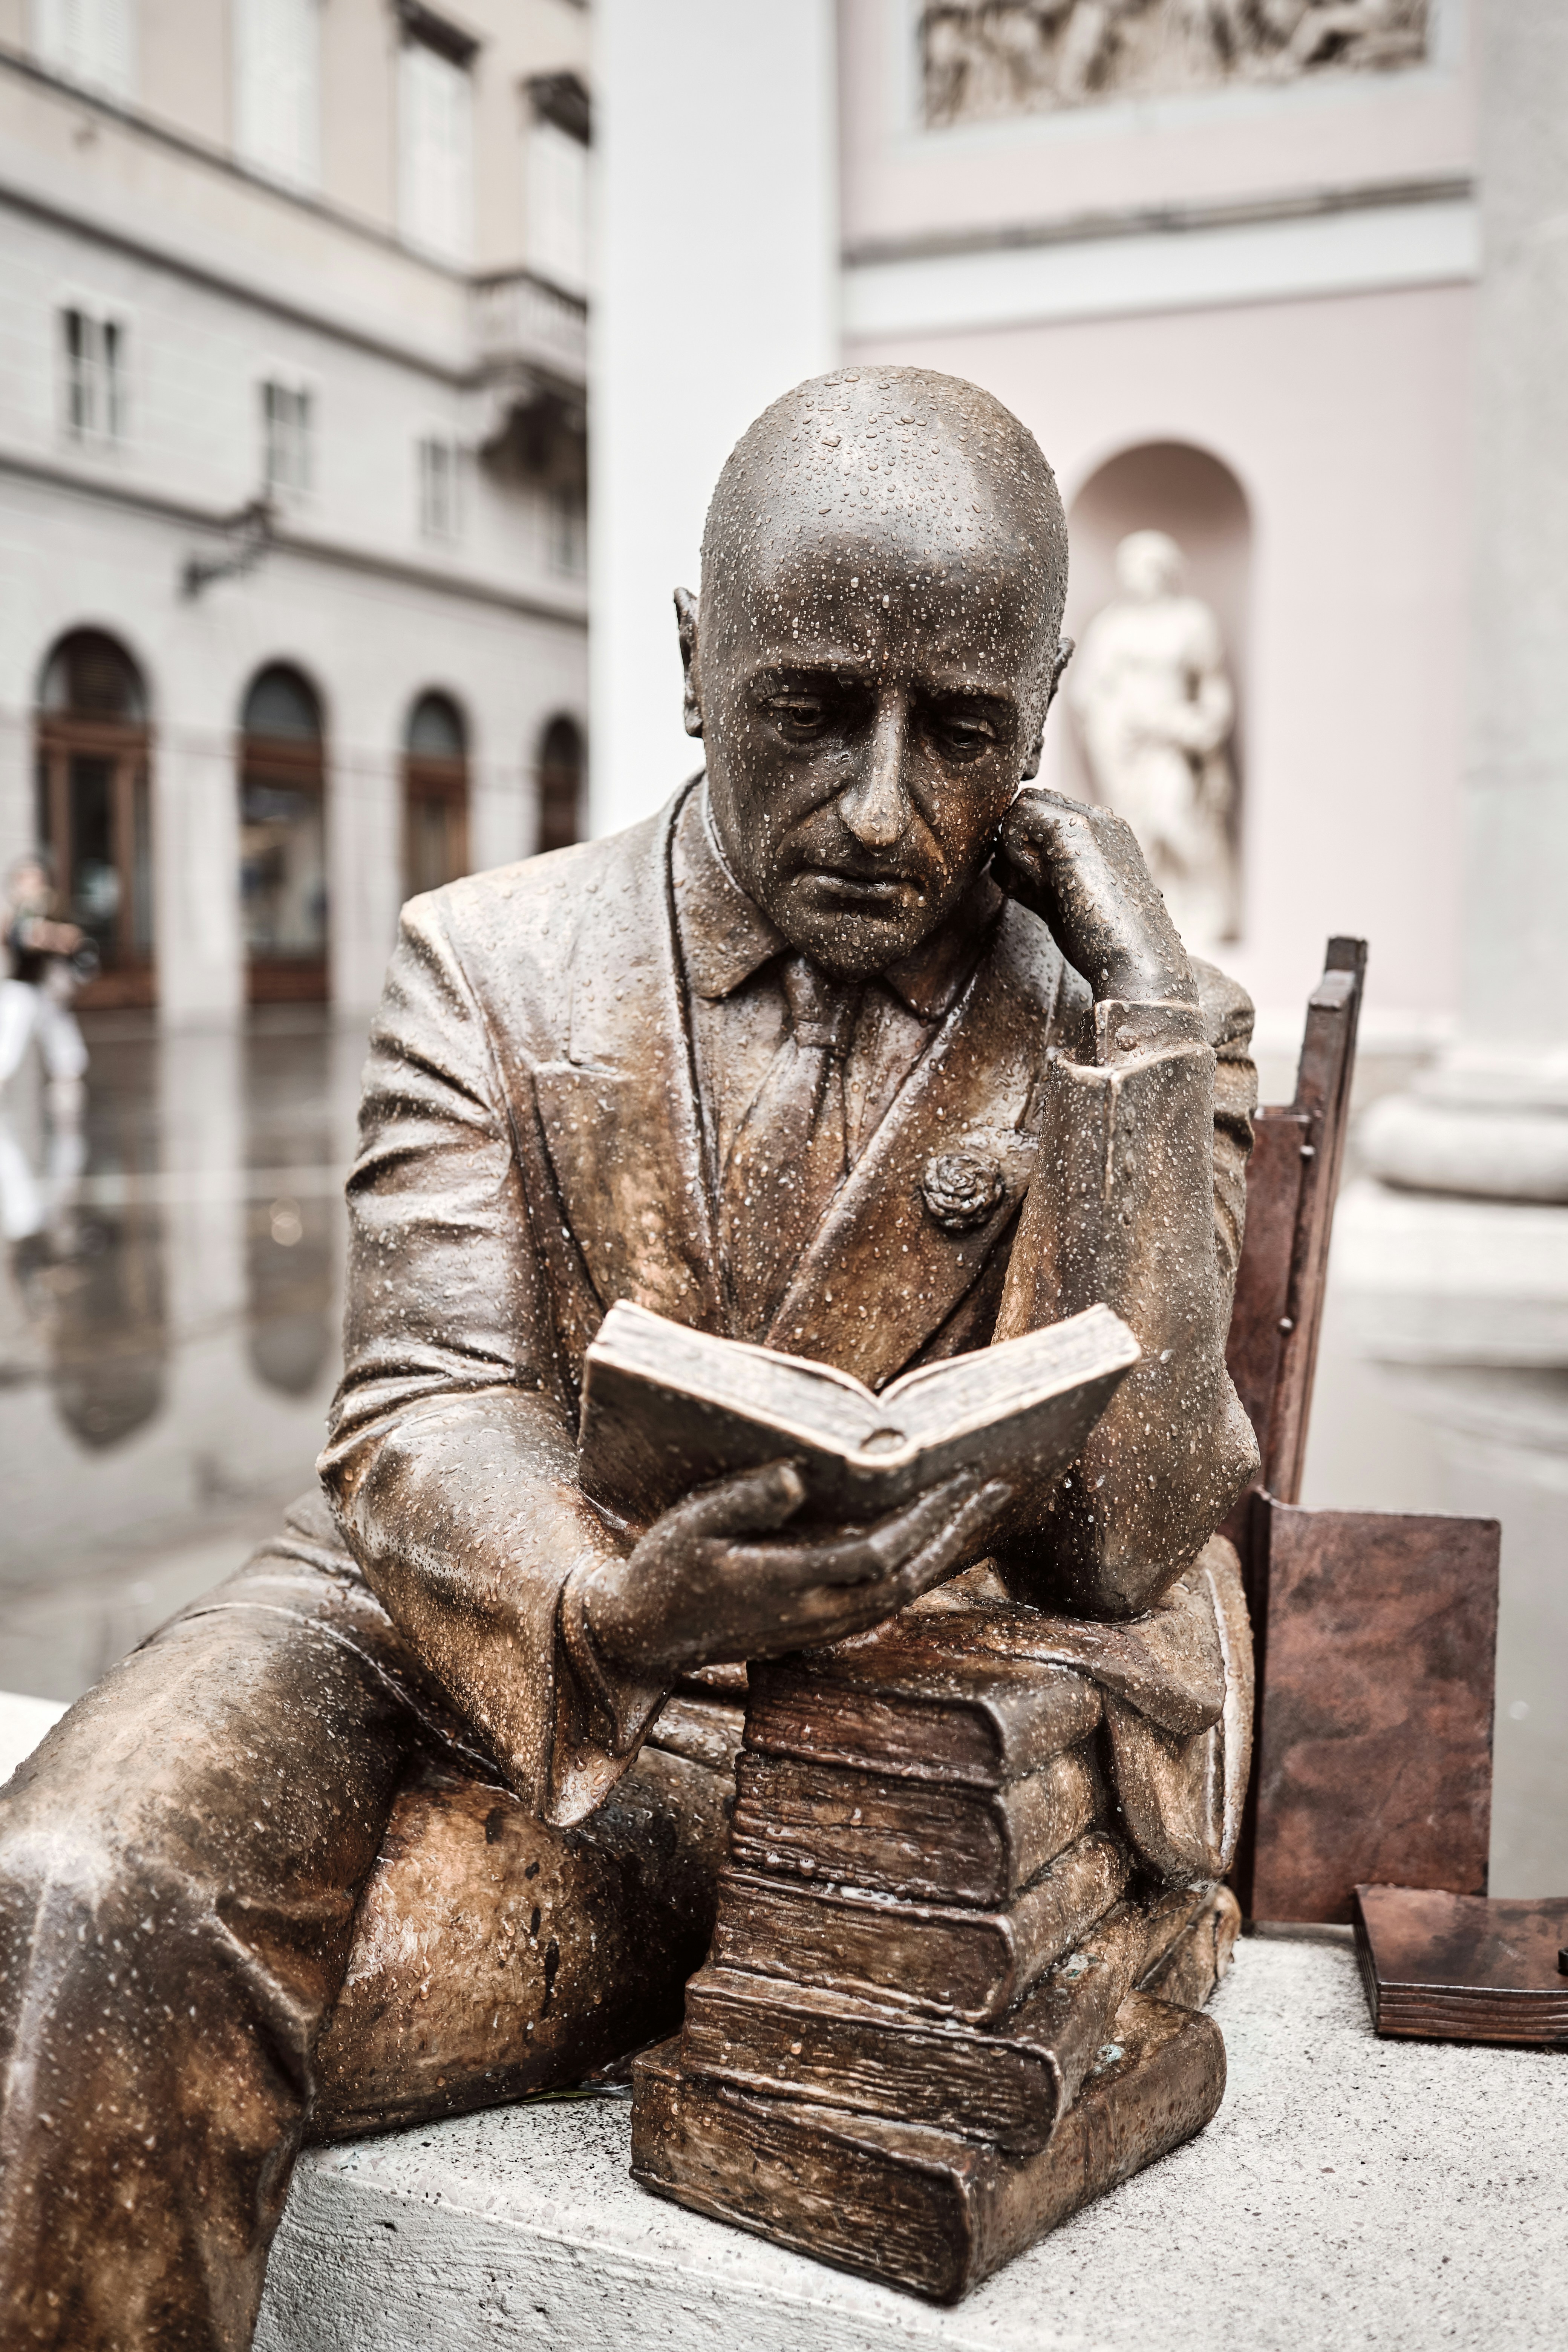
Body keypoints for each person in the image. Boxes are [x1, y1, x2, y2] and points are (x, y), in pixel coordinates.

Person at [0, 368, 1259, 2350]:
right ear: (693, 662)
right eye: (810, 709)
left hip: (798, 1730)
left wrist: (1145, 1034)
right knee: (64, 1882)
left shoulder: (1128, 1019)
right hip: (456, 1602)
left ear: (1051, 702)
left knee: (108, 2002)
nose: (879, 807)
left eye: (962, 733)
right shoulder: (485, 960)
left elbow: (1124, 1542)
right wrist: (598, 1591)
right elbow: (423, 1403)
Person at [1070, 528, 1240, 951]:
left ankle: (1205, 912)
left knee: (1178, 819)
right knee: (1135, 829)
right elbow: (1086, 689)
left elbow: (1212, 685)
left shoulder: (1191, 620)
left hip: (1172, 738)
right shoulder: (1112, 624)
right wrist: (1114, 723)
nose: (1132, 577)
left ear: (1163, 571)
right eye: (1126, 569)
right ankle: (1152, 917)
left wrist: (1206, 726)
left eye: (1140, 568)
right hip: (1126, 744)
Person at [0, 854, 90, 1102]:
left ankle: (68, 1082)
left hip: (50, 987)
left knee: (61, 1038)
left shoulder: (54, 907)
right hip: (24, 985)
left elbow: (72, 938)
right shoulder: (18, 913)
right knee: (10, 1035)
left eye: (35, 879)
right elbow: (20, 938)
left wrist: (52, 937)